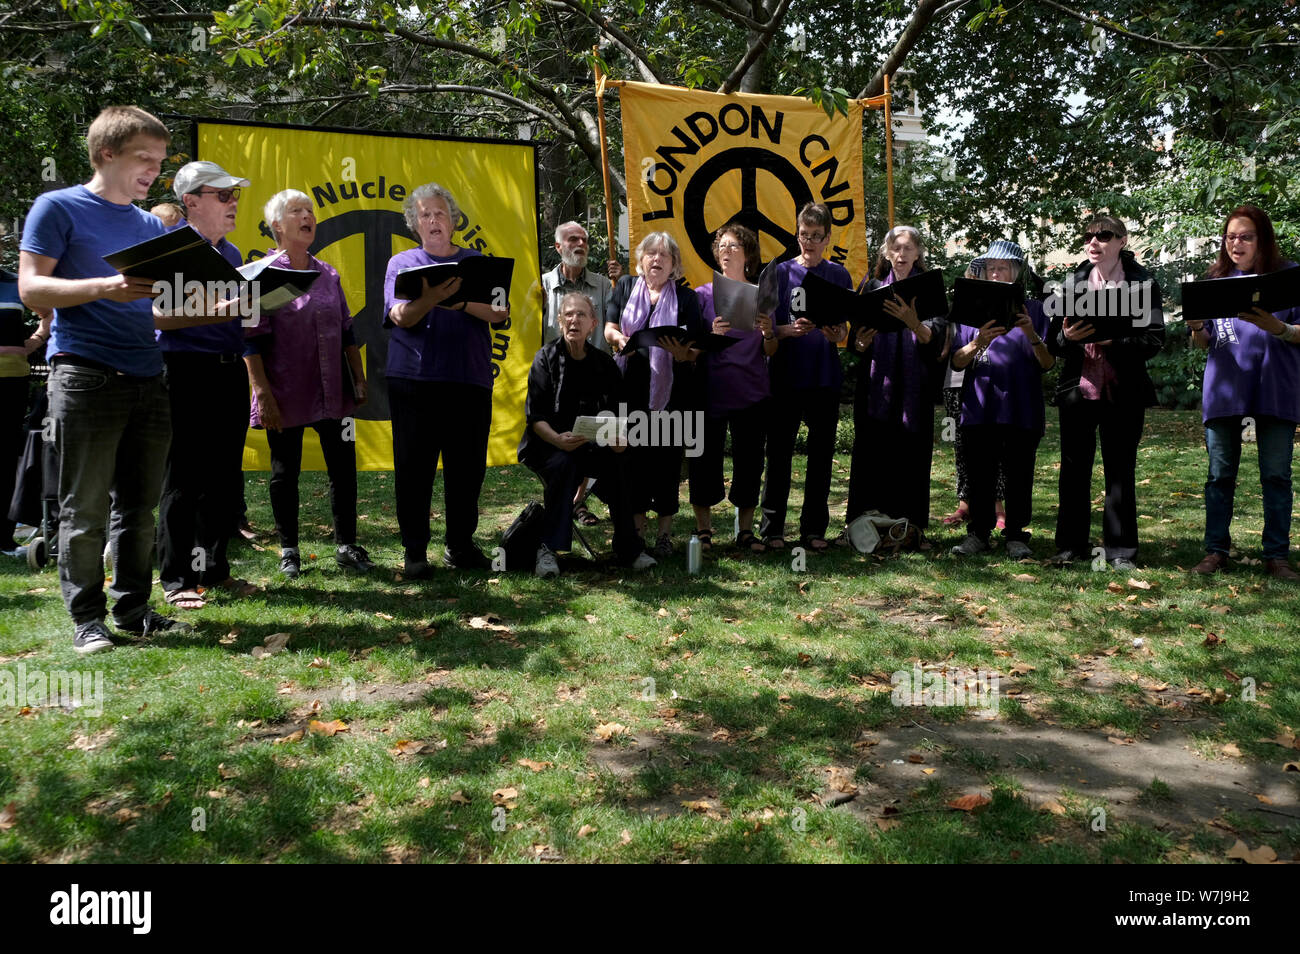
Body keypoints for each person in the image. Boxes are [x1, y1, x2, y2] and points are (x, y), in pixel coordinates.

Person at [17, 106, 190, 653]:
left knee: (140, 509)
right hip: (85, 376)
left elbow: (148, 310)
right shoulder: (57, 206)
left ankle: (135, 610)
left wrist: (216, 306)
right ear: (106, 153)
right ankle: (87, 619)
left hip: (148, 376)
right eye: (145, 159)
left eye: (159, 163)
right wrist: (104, 286)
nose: (153, 173)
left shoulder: (148, 226)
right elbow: (31, 290)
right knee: (84, 508)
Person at [244, 189, 373, 579]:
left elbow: (347, 331)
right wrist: (262, 392)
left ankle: (346, 545)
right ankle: (289, 550)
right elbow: (249, 340)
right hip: (284, 388)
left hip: (333, 387)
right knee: (285, 471)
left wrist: (358, 375)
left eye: (310, 211)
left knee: (343, 468)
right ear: (277, 225)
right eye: (296, 211)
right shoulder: (262, 275)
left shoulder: (328, 273)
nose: (307, 217)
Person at [382, 182, 509, 578]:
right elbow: (400, 317)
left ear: (453, 220)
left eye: (440, 213)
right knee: (413, 468)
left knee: (467, 469)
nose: (434, 220)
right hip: (414, 381)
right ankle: (415, 552)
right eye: (425, 215)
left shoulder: (479, 262)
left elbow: (500, 313)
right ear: (414, 224)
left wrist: (459, 301)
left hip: (469, 380)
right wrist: (431, 298)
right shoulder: (401, 264)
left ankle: (460, 546)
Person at [154, 161, 257, 609]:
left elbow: (235, 316)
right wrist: (227, 307)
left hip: (228, 368)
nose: (233, 203)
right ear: (191, 201)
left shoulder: (232, 255)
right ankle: (177, 578)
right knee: (184, 476)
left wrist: (258, 304)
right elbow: (159, 318)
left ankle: (213, 569)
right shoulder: (172, 249)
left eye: (235, 195)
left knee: (222, 476)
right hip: (185, 369)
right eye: (223, 195)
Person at [1186, 205, 1300, 580]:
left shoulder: (1289, 277)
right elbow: (1204, 343)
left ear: (1262, 239)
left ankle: (1277, 556)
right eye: (1231, 236)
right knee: (1220, 475)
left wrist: (1277, 327)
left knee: (1276, 476)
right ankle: (1216, 551)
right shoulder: (1215, 279)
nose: (1236, 243)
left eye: (1245, 236)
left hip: (1275, 391)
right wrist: (1197, 326)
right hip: (1225, 392)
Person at [1047, 216, 1165, 571]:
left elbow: (1154, 339)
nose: (1094, 241)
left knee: (1119, 471)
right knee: (1073, 470)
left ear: (1122, 241)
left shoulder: (1142, 283)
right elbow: (1055, 342)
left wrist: (1112, 340)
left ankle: (1120, 551)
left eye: (1104, 235)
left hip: (1122, 391)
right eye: (1088, 236)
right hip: (1078, 391)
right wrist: (1068, 337)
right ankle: (1070, 547)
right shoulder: (1070, 283)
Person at [519, 291, 656, 576]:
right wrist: (557, 439)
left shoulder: (604, 364)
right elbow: (535, 418)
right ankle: (548, 550)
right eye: (568, 314)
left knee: (622, 462)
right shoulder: (545, 358)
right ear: (559, 322)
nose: (574, 320)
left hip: (593, 447)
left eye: (581, 315)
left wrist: (620, 441)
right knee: (563, 464)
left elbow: (621, 416)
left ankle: (629, 548)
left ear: (593, 323)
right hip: (548, 446)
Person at [948, 241, 1054, 558]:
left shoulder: (1034, 309)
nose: (996, 272)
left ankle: (1016, 535)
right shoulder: (970, 311)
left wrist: (1032, 334)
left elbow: (1048, 363)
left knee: (1020, 473)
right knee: (981, 474)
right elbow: (956, 362)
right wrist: (978, 341)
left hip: (1022, 406)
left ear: (1016, 272)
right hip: (979, 405)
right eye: (991, 267)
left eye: (1003, 267)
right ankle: (978, 534)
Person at [847, 225, 948, 550]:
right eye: (895, 248)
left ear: (917, 252)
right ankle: (863, 526)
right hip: (878, 387)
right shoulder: (872, 286)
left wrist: (912, 321)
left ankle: (912, 527)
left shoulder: (929, 288)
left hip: (914, 390)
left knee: (912, 456)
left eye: (907, 248)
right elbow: (856, 343)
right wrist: (861, 341)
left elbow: (937, 340)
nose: (901, 254)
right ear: (886, 253)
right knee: (872, 455)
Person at [605, 231, 705, 558]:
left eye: (664, 255)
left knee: (666, 463)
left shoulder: (686, 299)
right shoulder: (623, 287)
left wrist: (683, 354)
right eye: (651, 254)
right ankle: (637, 531)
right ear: (641, 260)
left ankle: (664, 535)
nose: (657, 260)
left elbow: (696, 351)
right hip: (628, 390)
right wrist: (620, 340)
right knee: (632, 461)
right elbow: (608, 327)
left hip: (671, 395)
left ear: (674, 264)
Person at [760, 202, 850, 552]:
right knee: (779, 453)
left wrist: (835, 332)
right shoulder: (778, 273)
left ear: (827, 238)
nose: (808, 242)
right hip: (785, 375)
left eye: (815, 237)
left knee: (821, 456)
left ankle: (813, 529)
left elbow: (843, 328)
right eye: (803, 235)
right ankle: (772, 530)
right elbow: (764, 330)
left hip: (824, 377)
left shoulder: (838, 275)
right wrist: (787, 330)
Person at [689, 224, 776, 553]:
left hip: (751, 391)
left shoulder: (762, 295)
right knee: (703, 461)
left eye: (734, 246)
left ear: (748, 255)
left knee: (750, 462)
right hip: (710, 391)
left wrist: (769, 334)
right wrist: (711, 334)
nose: (726, 251)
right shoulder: (701, 295)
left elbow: (771, 352)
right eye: (722, 246)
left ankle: (744, 530)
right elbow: (692, 350)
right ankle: (704, 529)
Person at [540, 220, 620, 527]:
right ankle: (566, 501)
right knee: (563, 442)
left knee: (590, 438)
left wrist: (620, 282)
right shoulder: (543, 285)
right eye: (573, 240)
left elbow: (615, 318)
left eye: (584, 240)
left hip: (593, 376)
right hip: (556, 378)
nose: (581, 244)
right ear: (559, 247)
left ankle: (578, 502)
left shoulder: (603, 284)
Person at [1, 271, 50, 558]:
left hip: (9, 381)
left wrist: (34, 341)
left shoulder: (15, 284)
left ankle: (4, 539)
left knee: (6, 458)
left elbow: (49, 315)